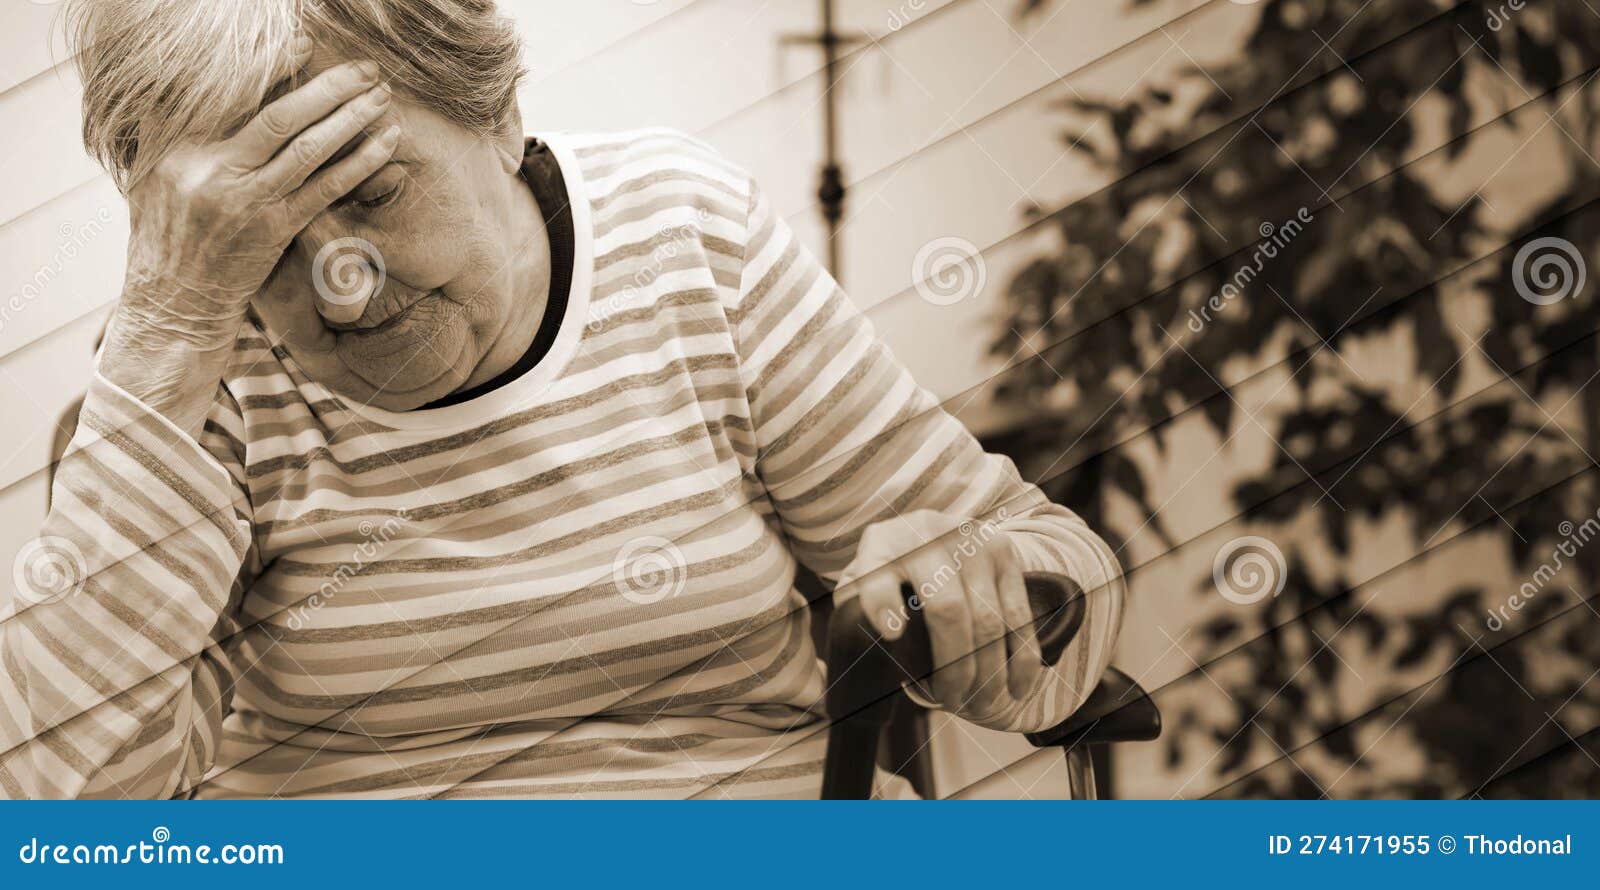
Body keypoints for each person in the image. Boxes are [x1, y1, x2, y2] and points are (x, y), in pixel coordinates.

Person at [0, 0, 1124, 799]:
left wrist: (981, 598)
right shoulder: (192, 364)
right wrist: (165, 336)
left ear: (495, 114)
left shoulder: (683, 236)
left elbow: (1062, 589)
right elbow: (69, 813)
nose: (341, 284)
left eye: (372, 192)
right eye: (265, 241)